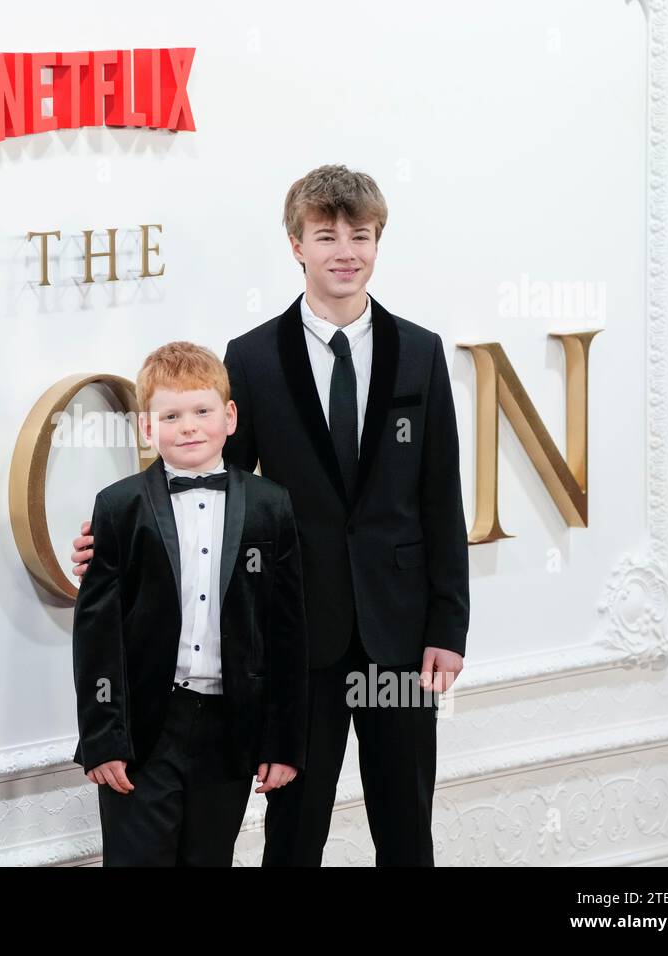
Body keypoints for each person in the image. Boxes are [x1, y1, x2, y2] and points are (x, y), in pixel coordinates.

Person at [72, 165, 469, 866]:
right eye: (327, 235)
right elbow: (215, 478)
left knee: (407, 825)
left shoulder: (421, 352)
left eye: (360, 235)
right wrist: (123, 536)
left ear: (378, 242)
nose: (345, 251)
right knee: (294, 831)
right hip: (296, 639)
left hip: (401, 635)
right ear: (297, 244)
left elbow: (440, 496)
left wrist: (447, 624)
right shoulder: (252, 358)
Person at [71, 340, 308, 866]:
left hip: (230, 729)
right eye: (171, 415)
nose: (189, 426)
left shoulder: (272, 505)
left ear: (229, 417)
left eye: (202, 411)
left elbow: (287, 631)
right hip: (144, 731)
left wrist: (283, 742)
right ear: (146, 428)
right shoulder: (119, 506)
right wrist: (103, 738)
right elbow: (96, 635)